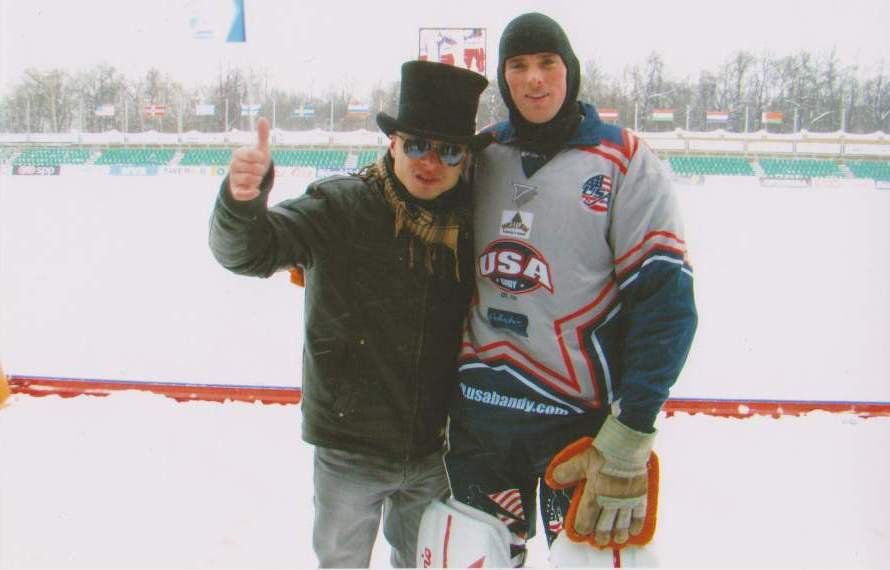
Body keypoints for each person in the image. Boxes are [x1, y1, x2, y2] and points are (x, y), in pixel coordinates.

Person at [209, 60, 489, 568]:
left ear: (465, 159)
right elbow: (248, 252)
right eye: (417, 144)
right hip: (349, 452)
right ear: (393, 143)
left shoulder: (472, 227)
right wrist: (241, 202)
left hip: (434, 451)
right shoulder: (342, 206)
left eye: (449, 150)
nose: (431, 162)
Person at [442, 12, 698, 566]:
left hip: (580, 428)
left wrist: (631, 430)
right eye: (518, 66)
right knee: (462, 555)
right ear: (504, 79)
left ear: (570, 70)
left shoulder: (624, 160)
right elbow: (407, 204)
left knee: (592, 561)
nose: (534, 79)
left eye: (546, 64)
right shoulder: (478, 157)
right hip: (481, 417)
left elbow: (667, 305)